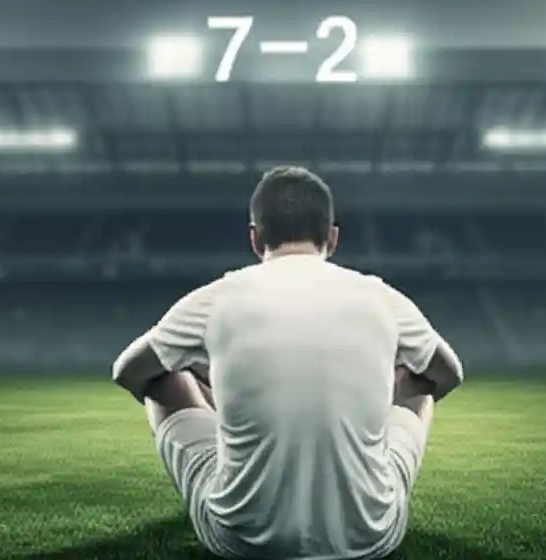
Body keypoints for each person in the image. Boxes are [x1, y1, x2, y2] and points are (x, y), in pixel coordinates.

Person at [112, 166, 464, 559]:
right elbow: (449, 373)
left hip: (241, 541)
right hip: (371, 536)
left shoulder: (215, 298)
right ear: (332, 237)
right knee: (420, 376)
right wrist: (376, 402)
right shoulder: (381, 296)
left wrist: (207, 381)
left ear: (254, 237)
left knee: (162, 378)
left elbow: (127, 371)